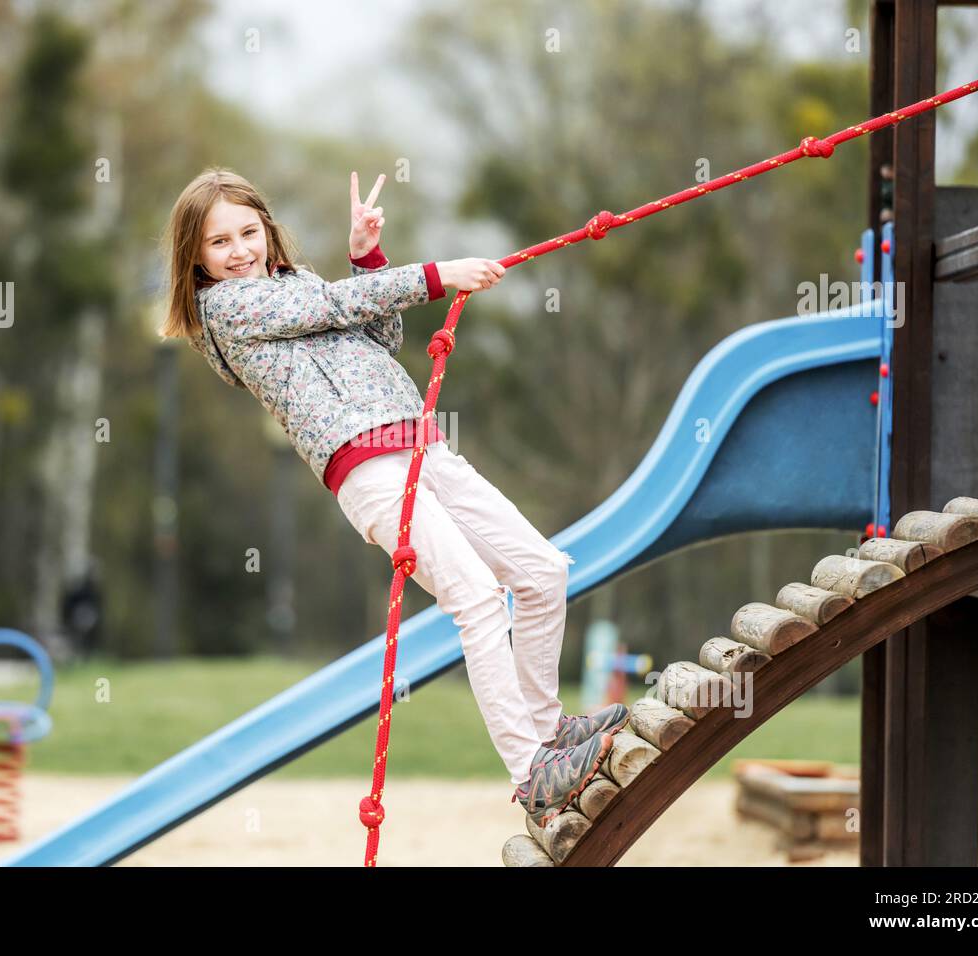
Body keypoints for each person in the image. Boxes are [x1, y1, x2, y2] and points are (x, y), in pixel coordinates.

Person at [159, 165, 631, 827]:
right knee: (474, 595)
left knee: (540, 570)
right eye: (219, 243)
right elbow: (334, 310)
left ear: (267, 229)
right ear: (197, 259)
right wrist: (438, 275)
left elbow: (375, 336)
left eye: (248, 232)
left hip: (424, 446)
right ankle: (531, 773)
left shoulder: (294, 284)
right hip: (368, 468)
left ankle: (548, 729)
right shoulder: (229, 308)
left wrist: (366, 257)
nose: (239, 251)